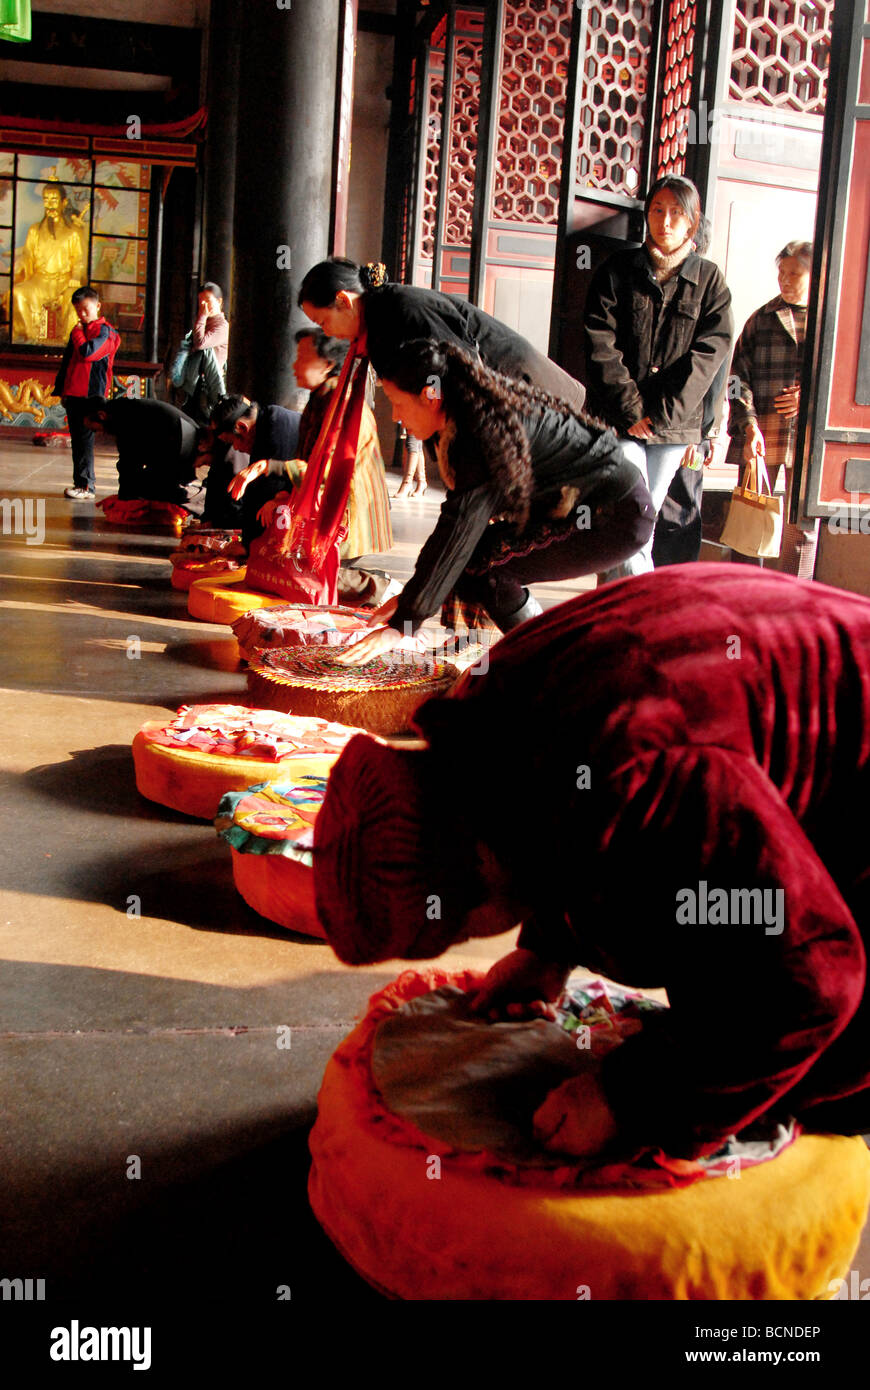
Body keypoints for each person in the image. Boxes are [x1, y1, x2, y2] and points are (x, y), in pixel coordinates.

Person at [312, 565, 870, 1160]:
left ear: (483, 872)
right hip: (777, 700)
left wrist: (629, 1099)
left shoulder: (643, 782)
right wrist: (547, 949)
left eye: (454, 929)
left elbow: (816, 979)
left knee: (818, 1075)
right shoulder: (482, 710)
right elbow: (546, 808)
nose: (461, 941)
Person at [335, 338, 655, 663]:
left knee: (489, 569)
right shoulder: (471, 412)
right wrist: (411, 600)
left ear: (430, 397)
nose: (395, 417)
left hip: (611, 514)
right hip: (587, 502)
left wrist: (404, 622)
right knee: (477, 559)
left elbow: (456, 532)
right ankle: (482, 655)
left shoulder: (478, 436)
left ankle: (545, 666)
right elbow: (459, 538)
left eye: (397, 402)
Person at [583, 176, 733, 578]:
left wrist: (670, 418)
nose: (665, 221)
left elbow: (710, 357)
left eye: (676, 213)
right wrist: (631, 408)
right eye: (657, 211)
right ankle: (640, 610)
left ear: (692, 221)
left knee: (642, 523)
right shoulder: (617, 269)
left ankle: (621, 613)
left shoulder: (710, 282)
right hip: (619, 420)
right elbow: (599, 342)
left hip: (673, 428)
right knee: (630, 516)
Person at [227, 330, 395, 604]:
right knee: (286, 563)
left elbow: (325, 472)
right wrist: (283, 497)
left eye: (302, 357)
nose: (294, 365)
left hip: (350, 511)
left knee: (304, 572)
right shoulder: (321, 398)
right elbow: (309, 461)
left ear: (327, 364)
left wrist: (266, 467)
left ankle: (380, 588)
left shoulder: (339, 404)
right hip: (328, 503)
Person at [298, 257, 587, 412]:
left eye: (323, 321)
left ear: (344, 301)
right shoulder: (380, 322)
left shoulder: (403, 309)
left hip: (530, 393)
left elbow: (466, 373)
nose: (328, 333)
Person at [726, 241, 818, 578]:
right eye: (781, 272)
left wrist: (806, 399)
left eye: (795, 273)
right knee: (751, 519)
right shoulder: (761, 320)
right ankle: (746, 591)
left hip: (808, 437)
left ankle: (795, 595)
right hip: (760, 431)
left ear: (815, 274)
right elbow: (737, 378)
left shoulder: (828, 321)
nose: (785, 280)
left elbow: (841, 379)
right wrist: (748, 425)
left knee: (801, 526)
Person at [53, 286, 120, 501]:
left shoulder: (106, 332)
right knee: (78, 443)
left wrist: (77, 333)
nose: (82, 314)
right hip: (74, 394)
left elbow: (88, 353)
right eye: (78, 311)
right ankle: (80, 483)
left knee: (85, 442)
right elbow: (69, 364)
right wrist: (63, 390)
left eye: (86, 309)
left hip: (91, 396)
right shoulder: (81, 331)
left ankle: (86, 486)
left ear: (98, 306)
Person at [82, 397, 199, 505]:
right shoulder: (123, 409)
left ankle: (187, 495)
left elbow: (129, 462)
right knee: (140, 484)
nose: (98, 433)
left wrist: (125, 500)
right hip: (182, 442)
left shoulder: (123, 418)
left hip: (183, 446)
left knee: (144, 487)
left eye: (94, 429)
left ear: (101, 415)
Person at [12, 182, 87, 344]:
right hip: (40, 281)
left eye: (54, 200)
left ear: (64, 202)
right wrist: (20, 268)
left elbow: (79, 260)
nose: (50, 205)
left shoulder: (73, 232)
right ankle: (31, 338)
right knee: (18, 293)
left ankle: (69, 342)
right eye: (46, 200)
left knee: (76, 297)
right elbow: (28, 257)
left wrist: (75, 276)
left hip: (64, 282)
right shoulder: (35, 230)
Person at [174, 282, 230, 424]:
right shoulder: (204, 323)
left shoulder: (222, 327)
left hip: (207, 389)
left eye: (208, 301)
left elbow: (200, 343)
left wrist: (202, 317)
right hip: (193, 387)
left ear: (219, 302)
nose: (203, 306)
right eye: (200, 301)